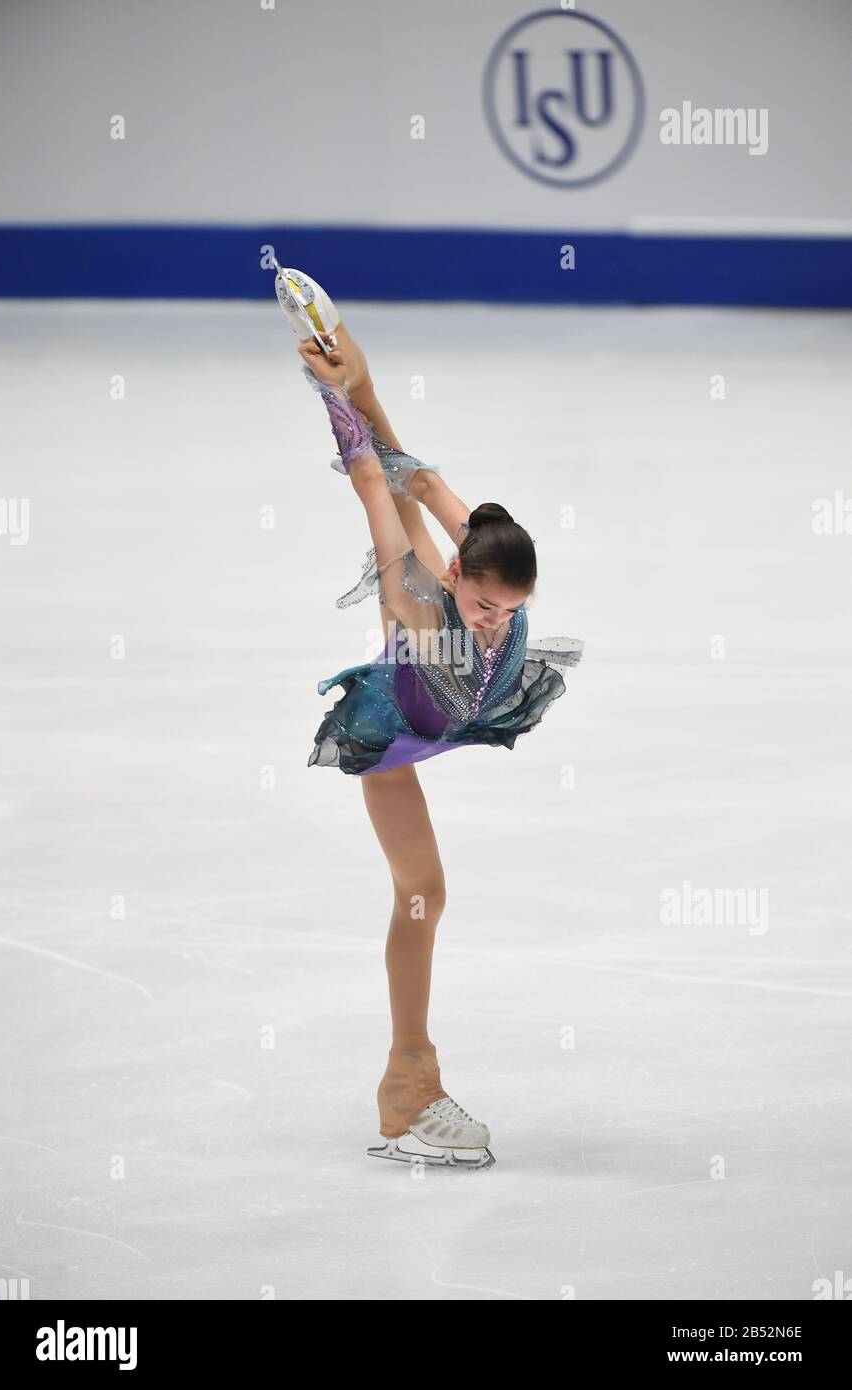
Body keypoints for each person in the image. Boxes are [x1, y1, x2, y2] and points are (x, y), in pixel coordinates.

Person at [276, 265, 584, 1166]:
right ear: (457, 578)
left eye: (510, 609)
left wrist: (365, 380)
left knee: (420, 487)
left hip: (465, 704)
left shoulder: (488, 550)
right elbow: (376, 481)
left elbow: (421, 472)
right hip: (400, 723)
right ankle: (409, 1079)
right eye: (488, 606)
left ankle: (409, 1079)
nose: (501, 620)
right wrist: (336, 399)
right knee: (424, 894)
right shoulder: (421, 593)